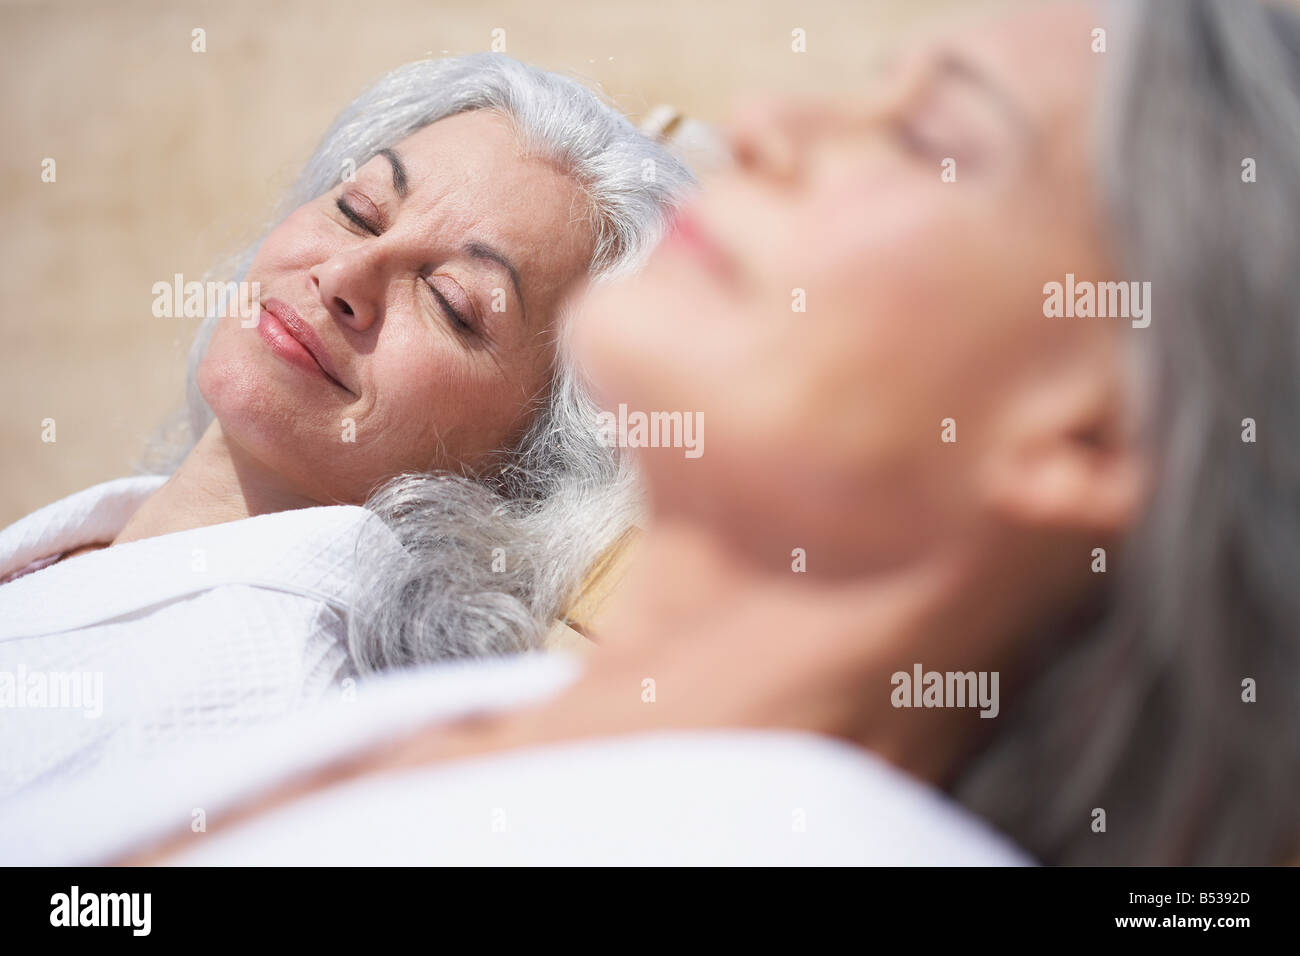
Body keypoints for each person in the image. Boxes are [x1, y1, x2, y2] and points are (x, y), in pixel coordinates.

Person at [5, 0, 1296, 867]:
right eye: (351, 208)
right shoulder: (493, 723)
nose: (768, 127)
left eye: (924, 137)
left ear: (1084, 441)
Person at [0, 53, 690, 798]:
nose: (343, 278)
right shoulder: (96, 544)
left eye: (453, 303)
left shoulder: (270, 722)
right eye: (357, 210)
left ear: (529, 464)